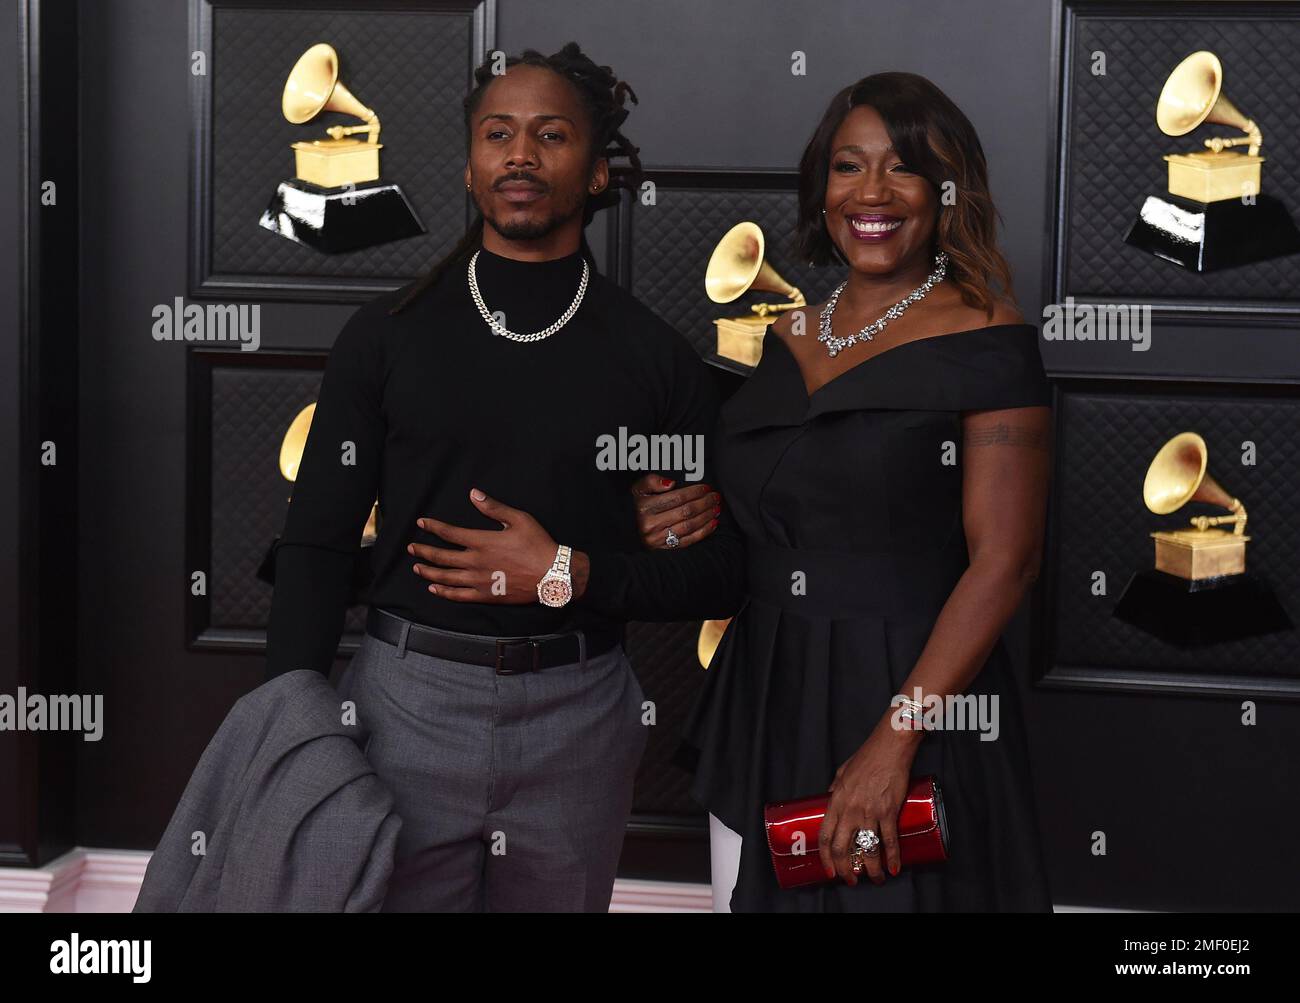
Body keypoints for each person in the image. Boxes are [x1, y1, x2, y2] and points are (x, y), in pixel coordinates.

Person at [265, 42, 743, 912]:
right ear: (471, 165)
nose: (520, 154)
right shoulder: (386, 338)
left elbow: (718, 570)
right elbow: (315, 545)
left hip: (580, 714)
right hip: (400, 709)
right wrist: (290, 728)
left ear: (597, 172)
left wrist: (568, 571)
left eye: (551, 135)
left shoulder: (655, 362)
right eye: (498, 134)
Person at [629, 71, 1055, 912]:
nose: (872, 192)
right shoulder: (786, 335)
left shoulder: (988, 335)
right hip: (764, 693)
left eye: (902, 168)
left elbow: (1006, 561)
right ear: (820, 187)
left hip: (907, 691)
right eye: (848, 166)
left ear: (944, 191)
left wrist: (892, 745)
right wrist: (685, 510)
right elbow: (782, 504)